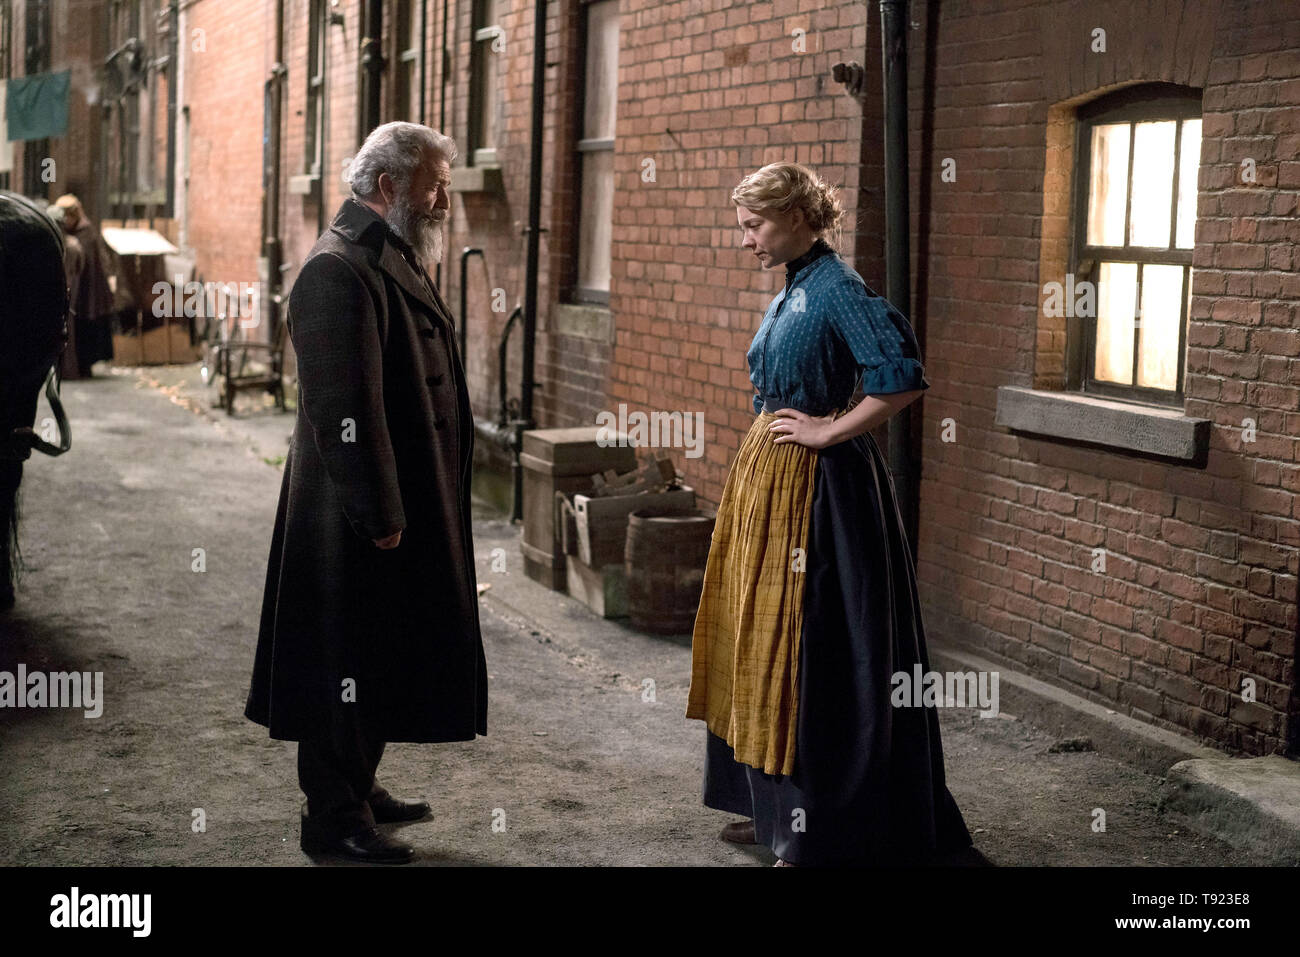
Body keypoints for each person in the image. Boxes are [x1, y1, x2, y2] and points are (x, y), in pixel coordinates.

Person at [686, 162, 973, 866]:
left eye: (754, 225)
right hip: (769, 480)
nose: (746, 240)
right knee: (758, 640)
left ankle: (818, 826)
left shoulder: (837, 288)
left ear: (797, 217)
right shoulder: (794, 287)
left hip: (817, 492)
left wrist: (825, 429)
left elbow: (900, 377)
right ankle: (773, 809)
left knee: (808, 649)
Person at [245, 122, 487, 865]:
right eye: (433, 183)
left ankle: (362, 785)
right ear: (389, 186)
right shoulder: (336, 268)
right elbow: (342, 410)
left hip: (405, 500)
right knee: (343, 656)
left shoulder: (387, 254)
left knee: (381, 650)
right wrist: (379, 513)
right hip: (357, 513)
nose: (443, 197)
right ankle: (331, 817)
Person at [50, 194, 115, 377]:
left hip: (87, 289)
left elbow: (86, 264)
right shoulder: (67, 235)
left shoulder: (86, 233)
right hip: (73, 288)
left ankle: (84, 365)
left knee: (84, 326)